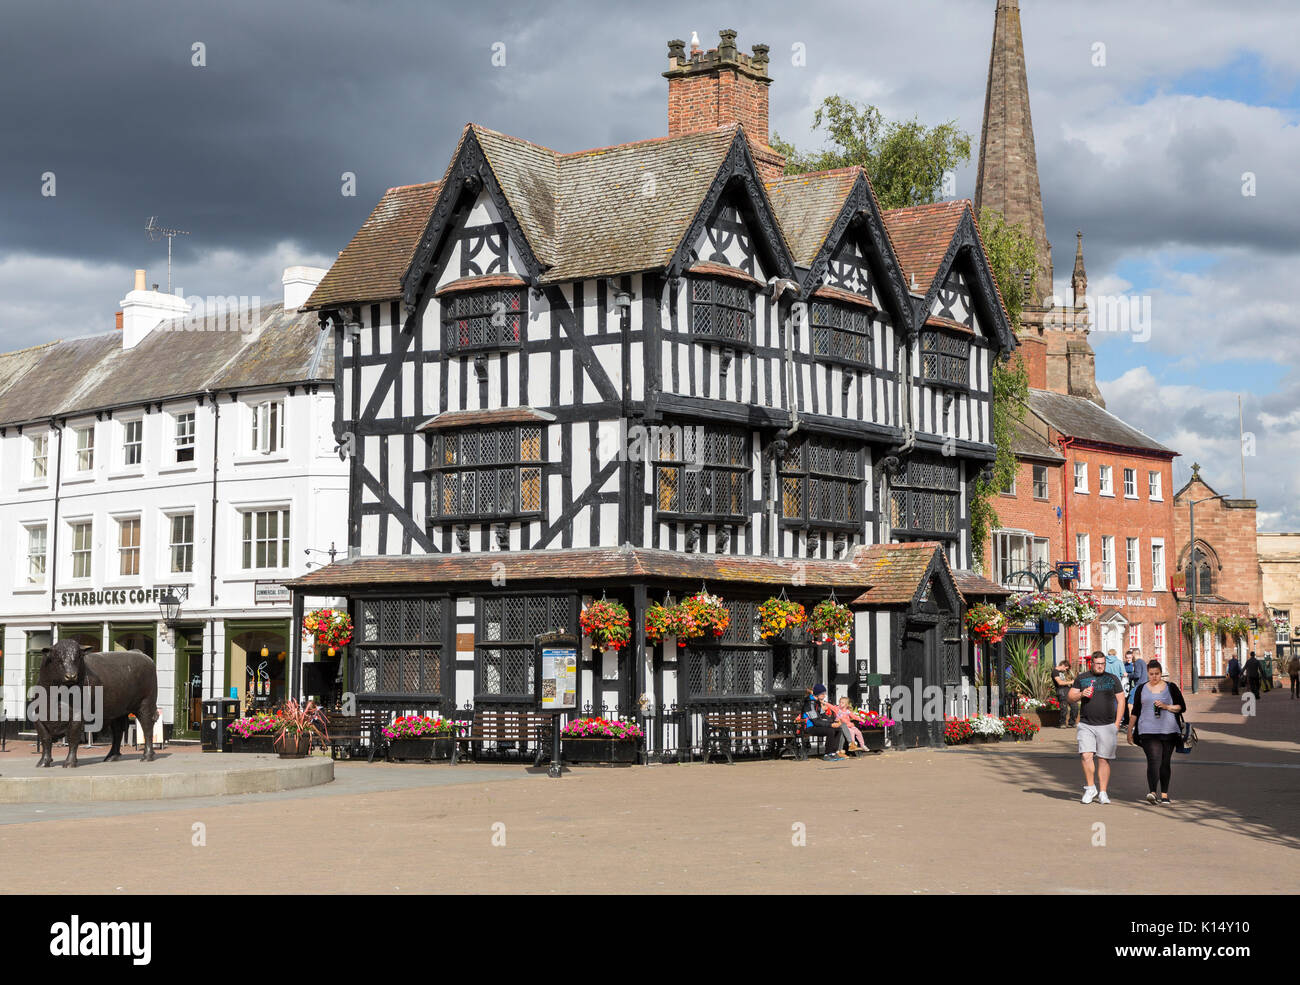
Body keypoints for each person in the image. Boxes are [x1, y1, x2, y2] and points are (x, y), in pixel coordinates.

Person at [1068, 651, 1126, 804]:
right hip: (1086, 724)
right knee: (1086, 755)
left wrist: (1117, 723)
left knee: (1103, 759)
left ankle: (1103, 792)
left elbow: (1121, 700)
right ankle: (1090, 787)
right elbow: (1070, 697)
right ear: (1091, 664)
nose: (1100, 666)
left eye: (1103, 664)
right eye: (1098, 664)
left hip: (1107, 725)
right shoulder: (1082, 678)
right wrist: (1081, 694)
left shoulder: (1112, 679)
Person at [1127, 660, 1185, 805]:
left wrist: (1166, 706)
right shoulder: (1141, 689)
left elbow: (1181, 707)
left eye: (1157, 674)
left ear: (1161, 673)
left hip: (1169, 730)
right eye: (1151, 674)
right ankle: (1152, 792)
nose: (1154, 677)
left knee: (1165, 762)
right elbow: (1135, 711)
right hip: (1147, 730)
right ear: (1148, 673)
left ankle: (1164, 794)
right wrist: (1130, 731)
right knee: (1154, 759)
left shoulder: (1171, 687)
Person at [800, 685, 846, 761]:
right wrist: (830, 724)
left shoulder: (817, 702)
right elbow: (815, 721)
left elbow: (823, 715)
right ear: (817, 694)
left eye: (825, 693)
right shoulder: (809, 704)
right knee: (830, 730)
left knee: (838, 729)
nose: (825, 695)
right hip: (809, 727)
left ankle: (833, 752)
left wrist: (834, 722)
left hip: (817, 725)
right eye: (823, 694)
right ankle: (827, 754)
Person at [1053, 658, 1077, 728]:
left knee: (1075, 706)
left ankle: (1072, 722)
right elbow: (1059, 683)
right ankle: (1062, 723)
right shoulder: (1055, 672)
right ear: (1063, 665)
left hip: (1068, 690)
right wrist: (1071, 682)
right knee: (1064, 708)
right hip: (1061, 691)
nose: (1065, 670)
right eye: (1066, 669)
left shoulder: (1062, 673)